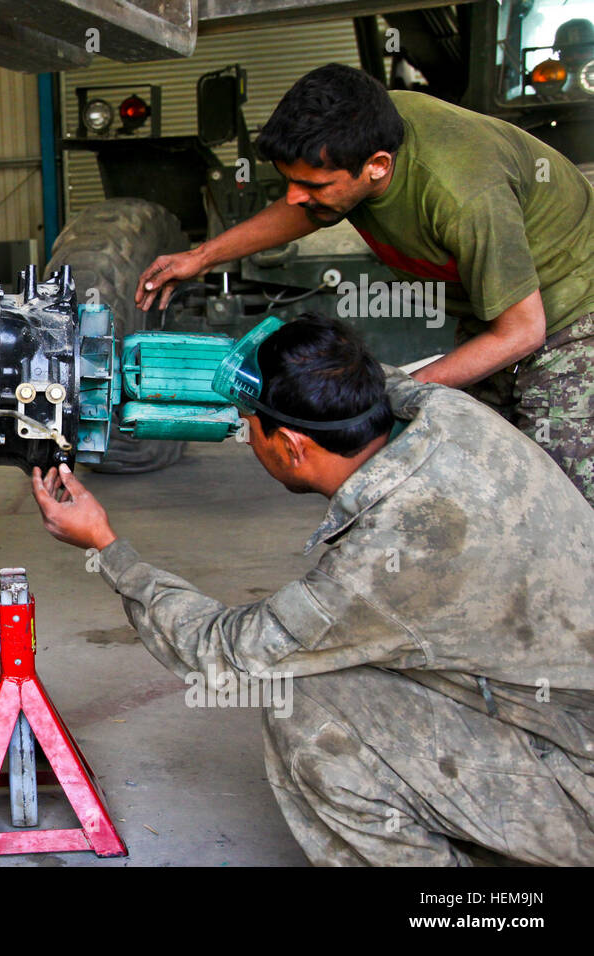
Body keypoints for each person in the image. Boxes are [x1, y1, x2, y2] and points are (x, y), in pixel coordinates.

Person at [31, 315, 594, 865]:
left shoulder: (387, 559)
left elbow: (225, 655)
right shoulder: (444, 411)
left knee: (306, 711)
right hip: (553, 697)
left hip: (578, 778)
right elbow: (365, 377)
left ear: (295, 446)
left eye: (248, 425)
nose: (244, 434)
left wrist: (107, 549)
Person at [136, 63, 594, 506]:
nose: (295, 196)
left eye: (312, 184)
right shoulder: (360, 134)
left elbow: (521, 332)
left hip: (573, 310)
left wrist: (394, 389)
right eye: (289, 181)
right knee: (468, 468)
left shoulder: (464, 196)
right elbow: (306, 207)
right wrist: (202, 256)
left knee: (558, 492)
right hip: (490, 312)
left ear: (377, 165)